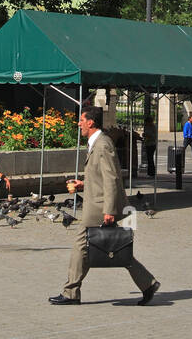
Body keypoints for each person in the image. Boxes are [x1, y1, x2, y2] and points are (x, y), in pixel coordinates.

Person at [49, 104, 159, 306]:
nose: (79, 123)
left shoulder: (102, 144)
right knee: (116, 247)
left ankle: (71, 292)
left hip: (99, 208)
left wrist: (109, 210)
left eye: (81, 120)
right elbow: (101, 177)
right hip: (97, 204)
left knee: (82, 247)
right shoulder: (96, 143)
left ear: (90, 122)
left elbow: (112, 179)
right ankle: (148, 283)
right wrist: (84, 183)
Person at [142, 110, 157, 178]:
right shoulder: (147, 127)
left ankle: (152, 172)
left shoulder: (153, 127)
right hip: (148, 143)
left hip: (152, 144)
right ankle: (150, 172)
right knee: (149, 159)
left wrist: (147, 135)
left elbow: (154, 136)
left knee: (150, 159)